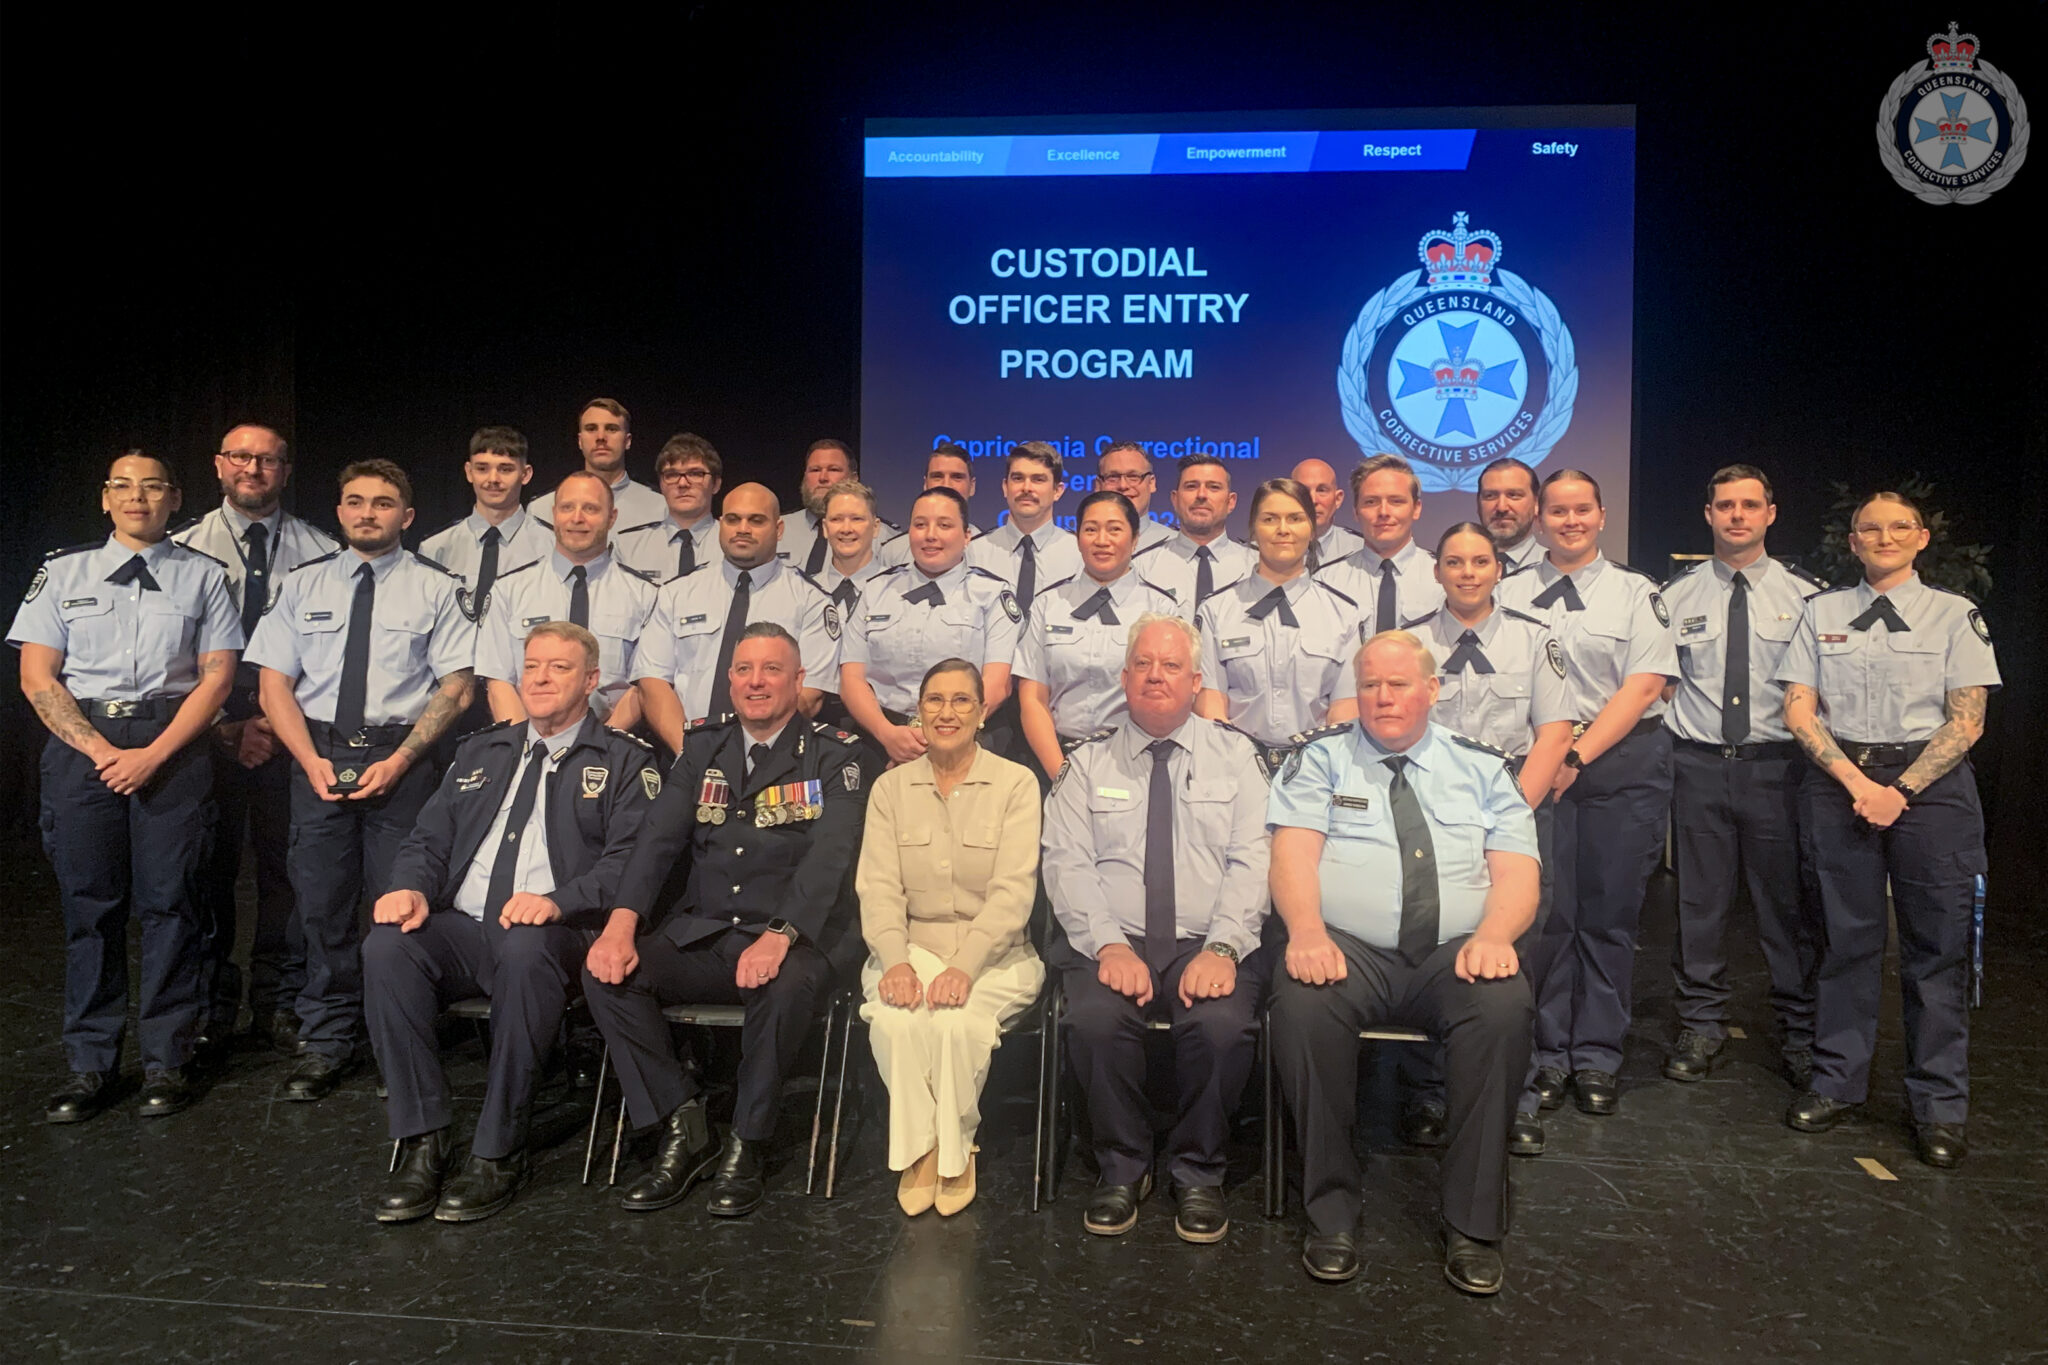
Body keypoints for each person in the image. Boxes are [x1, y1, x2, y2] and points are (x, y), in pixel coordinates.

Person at [1268, 631, 1539, 1293]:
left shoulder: (1482, 766)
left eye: (1397, 684)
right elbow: (1293, 856)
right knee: (1301, 1007)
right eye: (1369, 685)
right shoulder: (1319, 761)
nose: (1382, 697)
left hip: (1457, 950)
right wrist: (1304, 930)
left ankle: (1473, 1225)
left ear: (1431, 689)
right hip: (1346, 947)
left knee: (1503, 1009)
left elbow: (1518, 872)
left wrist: (1498, 935)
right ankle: (1331, 1213)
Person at [366, 623, 662, 1222]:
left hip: (557, 932)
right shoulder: (480, 751)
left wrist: (559, 899)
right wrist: (408, 888)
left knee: (527, 949)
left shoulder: (625, 761)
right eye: (532, 667)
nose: (541, 678)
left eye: (558, 668)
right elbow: (428, 839)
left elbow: (630, 863)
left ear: (591, 681)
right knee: (386, 949)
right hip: (468, 925)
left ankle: (498, 1150)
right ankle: (424, 1139)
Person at [584, 624, 869, 1218]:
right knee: (608, 974)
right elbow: (656, 842)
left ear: (798, 680)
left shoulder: (835, 754)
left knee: (782, 984)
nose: (755, 682)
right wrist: (620, 923)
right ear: (730, 679)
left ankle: (749, 1140)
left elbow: (832, 858)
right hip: (709, 933)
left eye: (771, 670)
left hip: (797, 937)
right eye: (744, 670)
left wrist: (780, 935)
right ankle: (683, 1123)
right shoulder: (702, 748)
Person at [13, 451, 242, 1121]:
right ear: (105, 499)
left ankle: (168, 1058)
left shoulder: (204, 575)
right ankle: (91, 1064)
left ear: (174, 499)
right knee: (92, 908)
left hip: (174, 746)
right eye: (122, 486)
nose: (136, 497)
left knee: (173, 904)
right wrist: (102, 750)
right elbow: (37, 677)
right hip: (82, 745)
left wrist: (153, 754)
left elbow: (218, 678)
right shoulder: (63, 571)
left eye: (151, 487)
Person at [1329, 521, 1572, 1150]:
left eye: (1480, 561)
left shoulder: (1534, 639)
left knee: (1505, 962)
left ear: (1499, 569)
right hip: (1410, 811)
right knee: (1424, 943)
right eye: (1455, 562)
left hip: (1507, 810)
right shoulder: (1404, 642)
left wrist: (1510, 810)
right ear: (1436, 571)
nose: (1467, 572)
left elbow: (1553, 732)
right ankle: (1429, 1094)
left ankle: (1511, 1099)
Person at [1777, 490, 1998, 1168]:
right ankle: (1837, 1082)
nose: (1884, 536)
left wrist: (1899, 790)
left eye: (1899, 526)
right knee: (1845, 941)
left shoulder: (1955, 614)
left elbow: (1968, 720)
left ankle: (1937, 1105)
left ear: (1922, 537)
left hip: (1929, 793)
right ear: (1852, 542)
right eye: (1869, 527)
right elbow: (1799, 710)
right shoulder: (1820, 613)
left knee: (1937, 950)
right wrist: (1859, 786)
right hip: (1844, 782)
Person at [248, 459, 478, 1101]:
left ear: (406, 516)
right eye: (354, 502)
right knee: (319, 906)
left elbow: (458, 687)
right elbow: (274, 683)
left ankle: (396, 1040)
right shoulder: (302, 584)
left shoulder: (438, 586)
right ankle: (326, 1040)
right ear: (341, 512)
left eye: (382, 503)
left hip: (403, 760)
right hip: (317, 754)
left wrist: (401, 759)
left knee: (398, 907)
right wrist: (308, 759)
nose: (367, 513)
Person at [1042, 615, 1272, 1243]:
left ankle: (1198, 1172)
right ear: (1124, 676)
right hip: (1111, 936)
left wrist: (1225, 947)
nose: (1155, 676)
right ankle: (1123, 1166)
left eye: (1171, 666)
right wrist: (1109, 944)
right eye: (1142, 663)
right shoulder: (1086, 763)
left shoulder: (1239, 758)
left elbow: (1255, 862)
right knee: (1092, 1018)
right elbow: (1066, 862)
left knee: (1222, 1027)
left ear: (1196, 680)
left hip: (1211, 937)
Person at [1496, 469, 1677, 1122]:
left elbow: (1645, 684)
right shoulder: (1508, 590)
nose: (1569, 520)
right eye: (1557, 511)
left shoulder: (1636, 593)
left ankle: (1597, 1053)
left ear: (1602, 516)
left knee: (1607, 914)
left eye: (1582, 509)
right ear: (1539, 520)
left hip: (1618, 763)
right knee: (1545, 919)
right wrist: (1550, 759)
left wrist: (1577, 753)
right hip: (1530, 764)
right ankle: (1544, 1055)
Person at [856, 659, 1044, 1217]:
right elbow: (879, 889)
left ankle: (956, 1151)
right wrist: (894, 961)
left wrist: (964, 965)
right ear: (918, 711)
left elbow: (1013, 894)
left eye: (962, 701)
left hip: (998, 955)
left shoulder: (1016, 783)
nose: (947, 712)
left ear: (983, 713)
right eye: (934, 700)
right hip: (910, 949)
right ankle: (925, 1148)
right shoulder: (890, 788)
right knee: (894, 1018)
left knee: (957, 1023)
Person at [173, 423, 338, 1055]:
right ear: (219, 465)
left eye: (267, 460)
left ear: (286, 471)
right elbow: (173, 656)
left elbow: (327, 655)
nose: (253, 469)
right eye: (241, 457)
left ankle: (280, 1002)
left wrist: (272, 720)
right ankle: (212, 1005)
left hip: (286, 731)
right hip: (201, 732)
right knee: (204, 874)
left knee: (288, 877)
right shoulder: (181, 548)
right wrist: (224, 727)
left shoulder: (322, 551)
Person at [1660, 466, 1826, 1095]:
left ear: (1770, 514)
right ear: (1707, 515)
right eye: (1725, 505)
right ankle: (1700, 1024)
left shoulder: (1808, 595)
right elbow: (1660, 684)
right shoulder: (1674, 595)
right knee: (1698, 906)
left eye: (1749, 505)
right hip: (1698, 767)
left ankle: (1798, 1031)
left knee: (1785, 909)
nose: (1737, 516)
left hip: (1778, 770)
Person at [634, 483, 838, 751]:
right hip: (681, 753)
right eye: (733, 519)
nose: (743, 528)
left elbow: (810, 694)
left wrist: (751, 752)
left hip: (771, 759)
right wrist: (689, 754)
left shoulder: (811, 600)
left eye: (756, 520)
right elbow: (653, 681)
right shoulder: (676, 593)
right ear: (720, 525)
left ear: (779, 530)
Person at [842, 487, 1021, 767]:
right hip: (882, 741)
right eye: (920, 524)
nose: (930, 535)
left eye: (945, 525)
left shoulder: (992, 594)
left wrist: (942, 738)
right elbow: (852, 678)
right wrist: (887, 734)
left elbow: (998, 685)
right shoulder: (876, 590)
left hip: (967, 740)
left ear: (966, 536)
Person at [1016, 490, 1188, 778]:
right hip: (1055, 757)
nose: (1102, 540)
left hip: (1136, 762)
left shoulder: (1159, 608)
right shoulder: (1049, 603)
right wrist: (1060, 772)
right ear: (1078, 538)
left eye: (1115, 529)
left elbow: (1170, 696)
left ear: (1134, 540)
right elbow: (1033, 698)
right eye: (1091, 529)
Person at [474, 472, 657, 731]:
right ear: (554, 514)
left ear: (612, 517)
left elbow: (644, 686)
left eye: (590, 509)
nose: (577, 518)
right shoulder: (509, 590)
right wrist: (527, 746)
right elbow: (499, 681)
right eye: (567, 507)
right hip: (527, 742)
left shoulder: (645, 595)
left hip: (611, 744)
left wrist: (604, 743)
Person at [1194, 479, 1358, 765]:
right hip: (1234, 767)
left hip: (1317, 770)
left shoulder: (1344, 614)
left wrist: (1318, 770)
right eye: (1270, 519)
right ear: (1254, 529)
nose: (1283, 529)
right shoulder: (1217, 610)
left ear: (1311, 528)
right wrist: (1235, 766)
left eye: (1295, 518)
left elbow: (1344, 709)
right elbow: (1211, 705)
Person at [418, 426, 554, 621]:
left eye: (505, 469)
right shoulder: (436, 548)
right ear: (469, 471)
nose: (493, 479)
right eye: (482, 468)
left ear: (525, 474)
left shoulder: (552, 545)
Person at [1314, 454, 1445, 636]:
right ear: (1356, 512)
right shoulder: (1325, 582)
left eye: (1396, 501)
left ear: (1416, 508)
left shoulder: (1446, 579)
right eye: (1371, 502)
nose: (1383, 511)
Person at [968, 442, 1080, 618]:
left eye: (1038, 479)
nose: (1026, 488)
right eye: (1018, 478)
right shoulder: (974, 552)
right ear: (1005, 487)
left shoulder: (1079, 553)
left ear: (1058, 491)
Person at [1136, 453, 1254, 612]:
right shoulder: (1142, 568)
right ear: (1174, 499)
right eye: (1191, 486)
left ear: (1231, 502)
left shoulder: (1256, 565)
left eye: (1214, 487)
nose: (1201, 495)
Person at [530, 398, 666, 528]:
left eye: (612, 429)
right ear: (580, 441)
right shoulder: (542, 511)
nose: (601, 437)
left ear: (627, 441)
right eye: (591, 428)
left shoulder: (660, 507)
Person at [780, 439, 901, 576]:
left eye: (833, 469)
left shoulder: (884, 536)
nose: (823, 478)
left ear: (854, 478)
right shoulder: (777, 530)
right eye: (815, 470)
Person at [613, 433, 723, 583]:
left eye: (695, 474)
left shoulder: (732, 544)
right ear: (661, 484)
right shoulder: (628, 545)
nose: (683, 483)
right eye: (671, 475)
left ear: (716, 484)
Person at [877, 444, 984, 567]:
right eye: (937, 476)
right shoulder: (892, 552)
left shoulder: (990, 553)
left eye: (957, 477)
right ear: (925, 484)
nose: (946, 484)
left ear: (972, 486)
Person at [813, 479, 892, 612]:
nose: (846, 529)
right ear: (825, 528)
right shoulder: (806, 591)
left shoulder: (896, 590)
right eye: (836, 519)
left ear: (875, 527)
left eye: (857, 519)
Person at [1094, 441, 1177, 552]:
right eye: (1113, 477)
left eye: (1133, 476)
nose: (1123, 485)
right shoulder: (1079, 547)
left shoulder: (1176, 546)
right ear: (1098, 485)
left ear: (1151, 483)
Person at [1288, 459, 1363, 570]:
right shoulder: (1264, 552)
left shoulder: (1362, 549)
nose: (1313, 500)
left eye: (1322, 490)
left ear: (1338, 499)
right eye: (1303, 491)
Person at [1477, 457, 1545, 573]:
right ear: (1478, 504)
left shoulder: (1557, 571)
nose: (1501, 507)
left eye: (1513, 495)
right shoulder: (1454, 573)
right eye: (1490, 496)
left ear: (1536, 504)